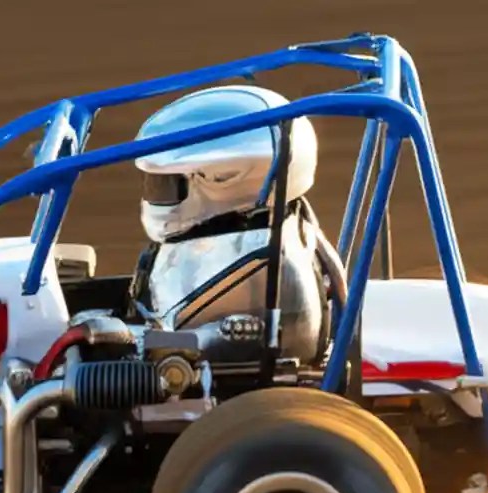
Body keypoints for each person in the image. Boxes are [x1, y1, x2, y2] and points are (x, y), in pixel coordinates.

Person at [128, 85, 337, 365]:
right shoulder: (273, 235)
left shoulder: (262, 266)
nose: (154, 194)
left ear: (224, 179)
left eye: (165, 183)